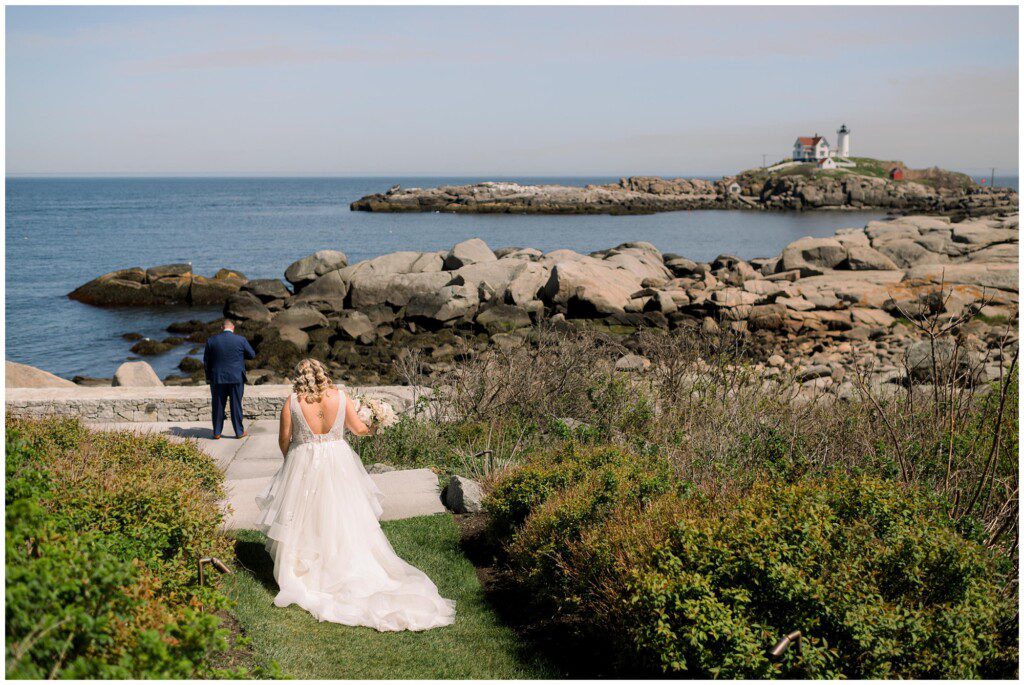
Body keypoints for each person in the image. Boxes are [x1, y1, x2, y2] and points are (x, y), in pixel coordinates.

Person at [254, 358, 456, 631]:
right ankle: (345, 561)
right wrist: (376, 423)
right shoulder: (340, 396)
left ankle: (307, 570)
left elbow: (284, 440)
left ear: (298, 377)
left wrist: (294, 460)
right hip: (339, 461)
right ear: (323, 374)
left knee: (304, 518)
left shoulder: (291, 403)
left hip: (304, 462)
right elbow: (359, 430)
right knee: (344, 515)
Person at [202, 319, 256, 439]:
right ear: (233, 328)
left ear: (222, 327)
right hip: (236, 378)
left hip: (217, 378)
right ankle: (239, 432)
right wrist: (240, 354)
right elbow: (252, 355)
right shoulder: (240, 340)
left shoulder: (211, 340)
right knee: (236, 405)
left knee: (218, 405)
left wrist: (208, 378)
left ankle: (216, 432)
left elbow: (206, 362)